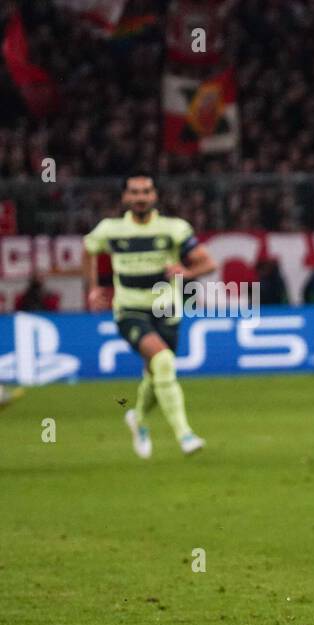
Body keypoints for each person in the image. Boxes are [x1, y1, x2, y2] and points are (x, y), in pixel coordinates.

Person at [83, 173, 214, 458]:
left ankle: (138, 418)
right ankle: (185, 435)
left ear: (154, 196)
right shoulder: (111, 230)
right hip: (129, 309)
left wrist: (188, 272)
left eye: (146, 192)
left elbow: (208, 263)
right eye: (134, 192)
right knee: (163, 360)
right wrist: (93, 288)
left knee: (157, 372)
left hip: (166, 308)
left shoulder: (173, 229)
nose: (140, 197)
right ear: (125, 198)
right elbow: (89, 248)